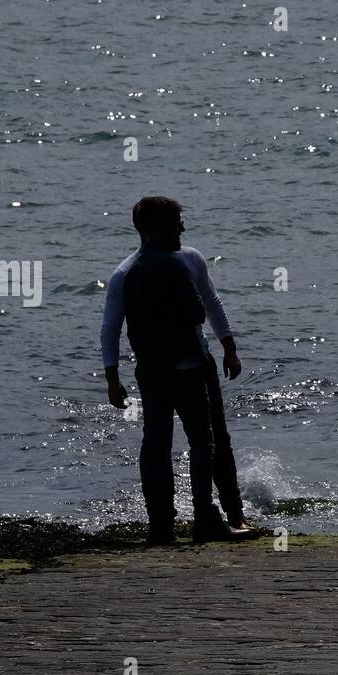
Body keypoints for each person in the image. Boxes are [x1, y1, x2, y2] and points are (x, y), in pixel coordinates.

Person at [101, 196, 254, 544]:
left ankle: (227, 514)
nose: (182, 228)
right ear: (152, 228)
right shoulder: (125, 273)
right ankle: (190, 521)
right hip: (179, 370)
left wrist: (229, 346)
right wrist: (112, 377)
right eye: (175, 222)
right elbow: (111, 327)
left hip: (182, 366)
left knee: (205, 442)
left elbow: (212, 302)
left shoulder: (190, 258)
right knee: (195, 443)